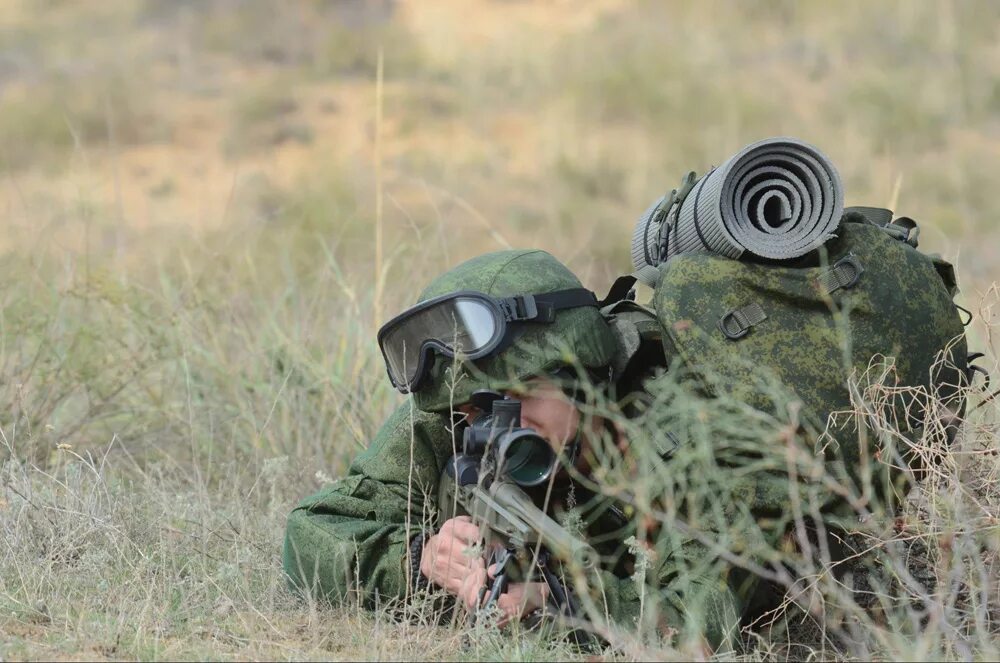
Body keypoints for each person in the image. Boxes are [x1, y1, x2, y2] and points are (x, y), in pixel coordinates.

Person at [282, 248, 837, 651]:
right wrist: (422, 560)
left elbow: (700, 625)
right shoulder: (462, 406)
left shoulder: (688, 431)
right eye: (475, 410)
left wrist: (562, 605)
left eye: (522, 399)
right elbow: (313, 532)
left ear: (583, 378)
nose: (496, 427)